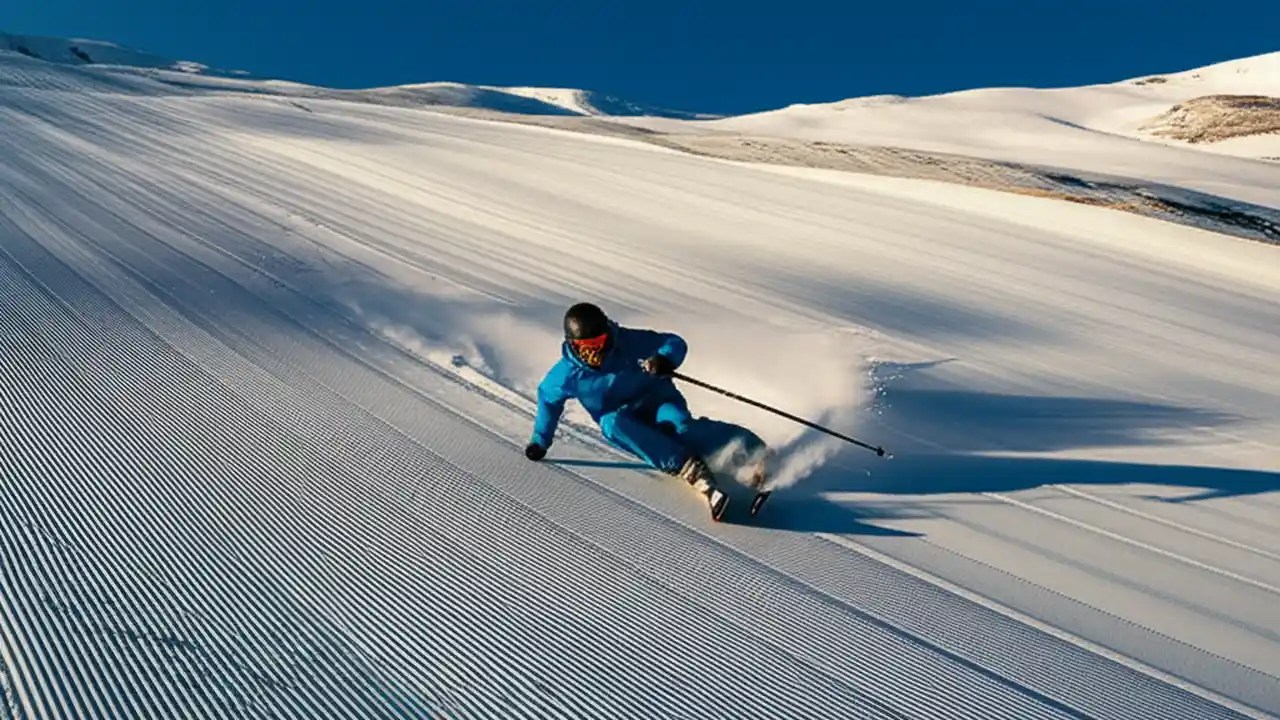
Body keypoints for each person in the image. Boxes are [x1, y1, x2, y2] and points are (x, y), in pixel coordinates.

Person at [524, 302, 730, 520]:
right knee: (611, 424)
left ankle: (746, 450)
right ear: (573, 344)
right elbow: (548, 399)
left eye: (598, 342)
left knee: (683, 429)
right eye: (586, 345)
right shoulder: (566, 375)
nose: (594, 350)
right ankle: (690, 469)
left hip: (657, 400)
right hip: (625, 420)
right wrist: (539, 440)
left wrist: (664, 358)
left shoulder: (627, 342)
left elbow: (674, 342)